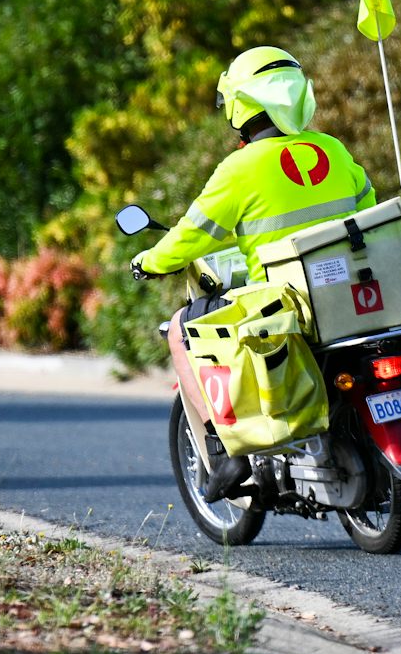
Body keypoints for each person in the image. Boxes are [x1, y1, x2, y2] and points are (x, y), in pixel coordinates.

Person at [132, 45, 376, 501]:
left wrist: (147, 262)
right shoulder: (333, 150)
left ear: (242, 105)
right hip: (348, 291)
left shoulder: (240, 169)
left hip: (280, 301)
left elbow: (190, 236)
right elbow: (369, 214)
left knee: (184, 330)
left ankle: (226, 453)